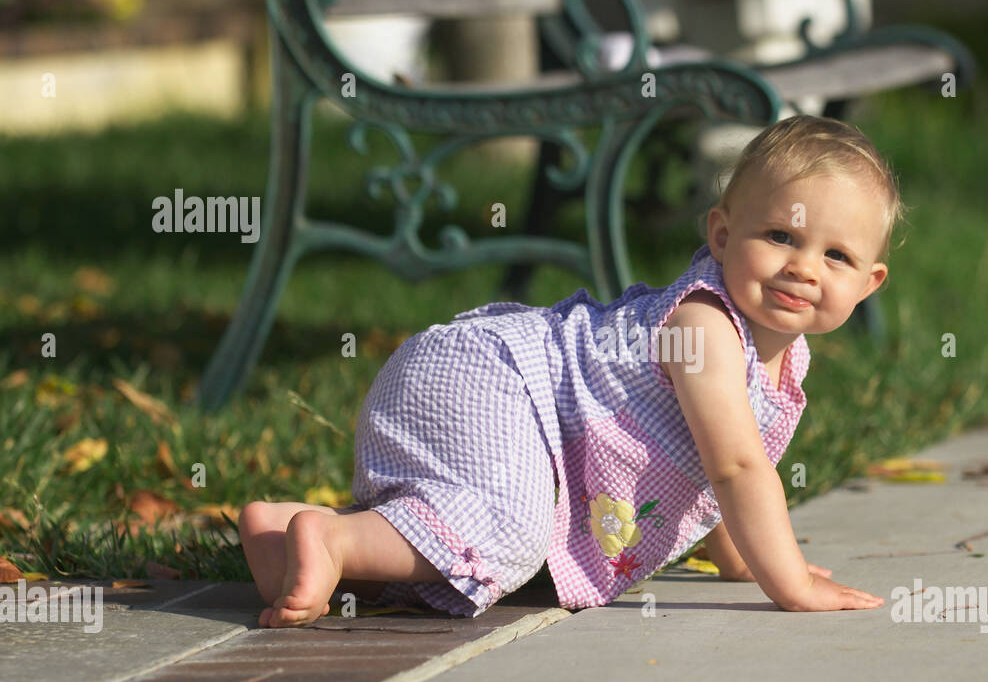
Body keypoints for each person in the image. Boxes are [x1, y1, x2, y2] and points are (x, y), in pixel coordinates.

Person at [239, 114, 900, 628]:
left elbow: (713, 472)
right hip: (489, 380)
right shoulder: (704, 326)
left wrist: (741, 561)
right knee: (509, 536)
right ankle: (336, 540)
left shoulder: (781, 352)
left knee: (478, 553)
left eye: (836, 256)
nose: (804, 267)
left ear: (869, 284)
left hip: (504, 398)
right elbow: (735, 467)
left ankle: (290, 535)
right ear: (722, 235)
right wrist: (790, 582)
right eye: (781, 237)